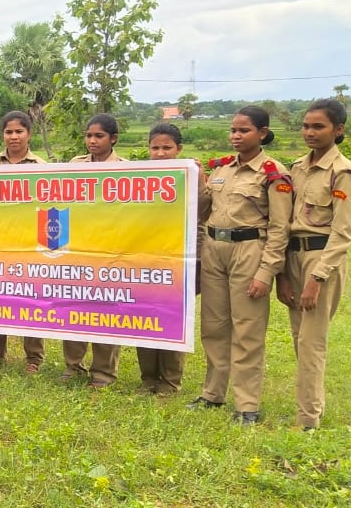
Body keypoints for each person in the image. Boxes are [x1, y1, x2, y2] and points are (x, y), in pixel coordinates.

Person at [191, 106, 292, 425]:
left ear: (262, 133)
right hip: (214, 249)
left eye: (243, 130)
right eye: (233, 130)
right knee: (214, 326)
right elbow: (203, 209)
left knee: (247, 329)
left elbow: (280, 228)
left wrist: (267, 271)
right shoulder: (222, 169)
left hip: (249, 249)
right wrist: (198, 180)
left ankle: (247, 404)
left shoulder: (274, 172)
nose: (235, 136)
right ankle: (212, 393)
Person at [276, 99, 350, 430]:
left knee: (311, 341)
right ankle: (310, 406)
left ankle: (308, 419)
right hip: (294, 256)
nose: (310, 132)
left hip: (322, 259)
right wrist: (284, 274)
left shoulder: (342, 173)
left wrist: (318, 278)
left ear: (338, 130)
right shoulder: (297, 168)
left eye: (318, 126)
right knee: (297, 336)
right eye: (306, 125)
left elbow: (343, 232)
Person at [63, 114, 127, 389]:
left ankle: (103, 372)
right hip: (78, 248)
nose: (92, 141)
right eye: (88, 135)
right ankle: (72, 366)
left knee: (107, 309)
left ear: (112, 139)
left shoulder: (128, 169)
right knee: (74, 306)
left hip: (111, 250)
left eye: (98, 136)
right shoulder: (74, 166)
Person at [0, 111, 48, 373]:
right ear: (3, 135)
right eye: (8, 132)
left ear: (29, 134)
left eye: (19, 131)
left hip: (29, 243)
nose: (13, 136)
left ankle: (34, 358)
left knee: (30, 299)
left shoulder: (41, 167)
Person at [133, 123, 191, 395]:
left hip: (176, 264)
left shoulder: (190, 178)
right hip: (142, 263)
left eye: (166, 148)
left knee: (170, 319)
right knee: (143, 319)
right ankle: (148, 378)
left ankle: (170, 382)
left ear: (178, 149)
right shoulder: (136, 178)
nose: (160, 153)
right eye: (155, 148)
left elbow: (199, 220)